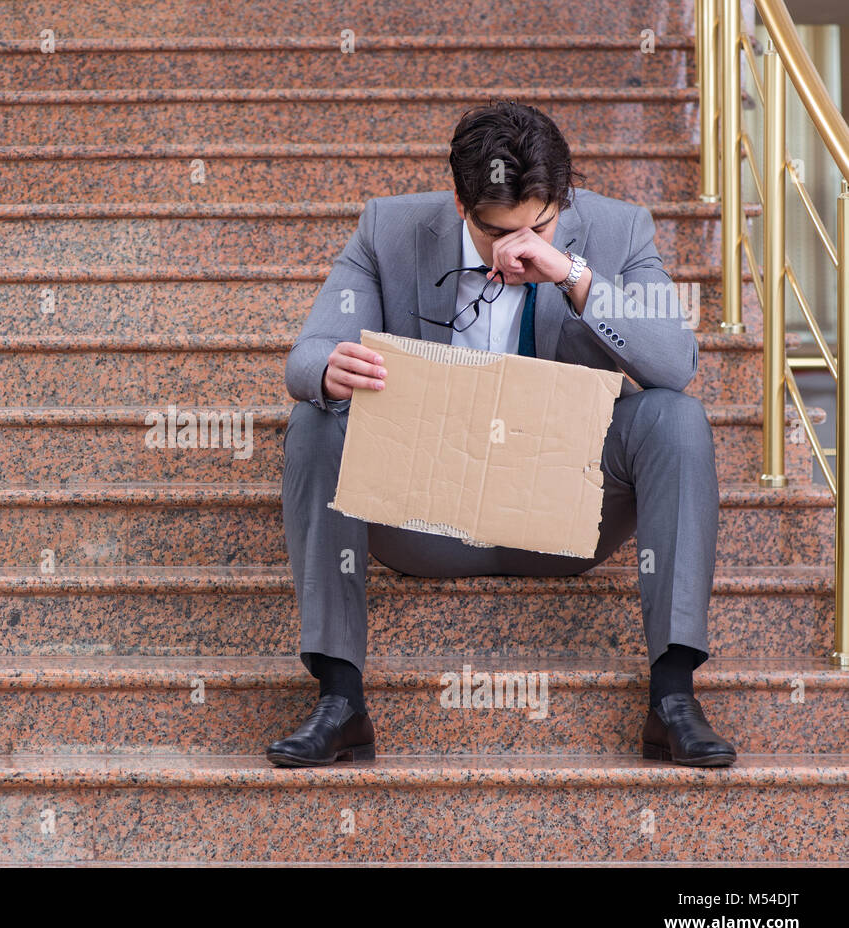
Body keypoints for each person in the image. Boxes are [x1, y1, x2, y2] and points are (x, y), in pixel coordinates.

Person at [267, 100, 737, 769]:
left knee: (676, 417)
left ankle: (673, 700)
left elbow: (676, 364)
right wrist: (329, 368)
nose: (519, 246)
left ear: (563, 202)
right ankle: (341, 701)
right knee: (316, 417)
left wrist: (572, 275)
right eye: (499, 233)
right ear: (462, 206)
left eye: (539, 226)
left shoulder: (618, 230)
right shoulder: (389, 228)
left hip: (567, 514)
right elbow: (305, 356)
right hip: (425, 516)